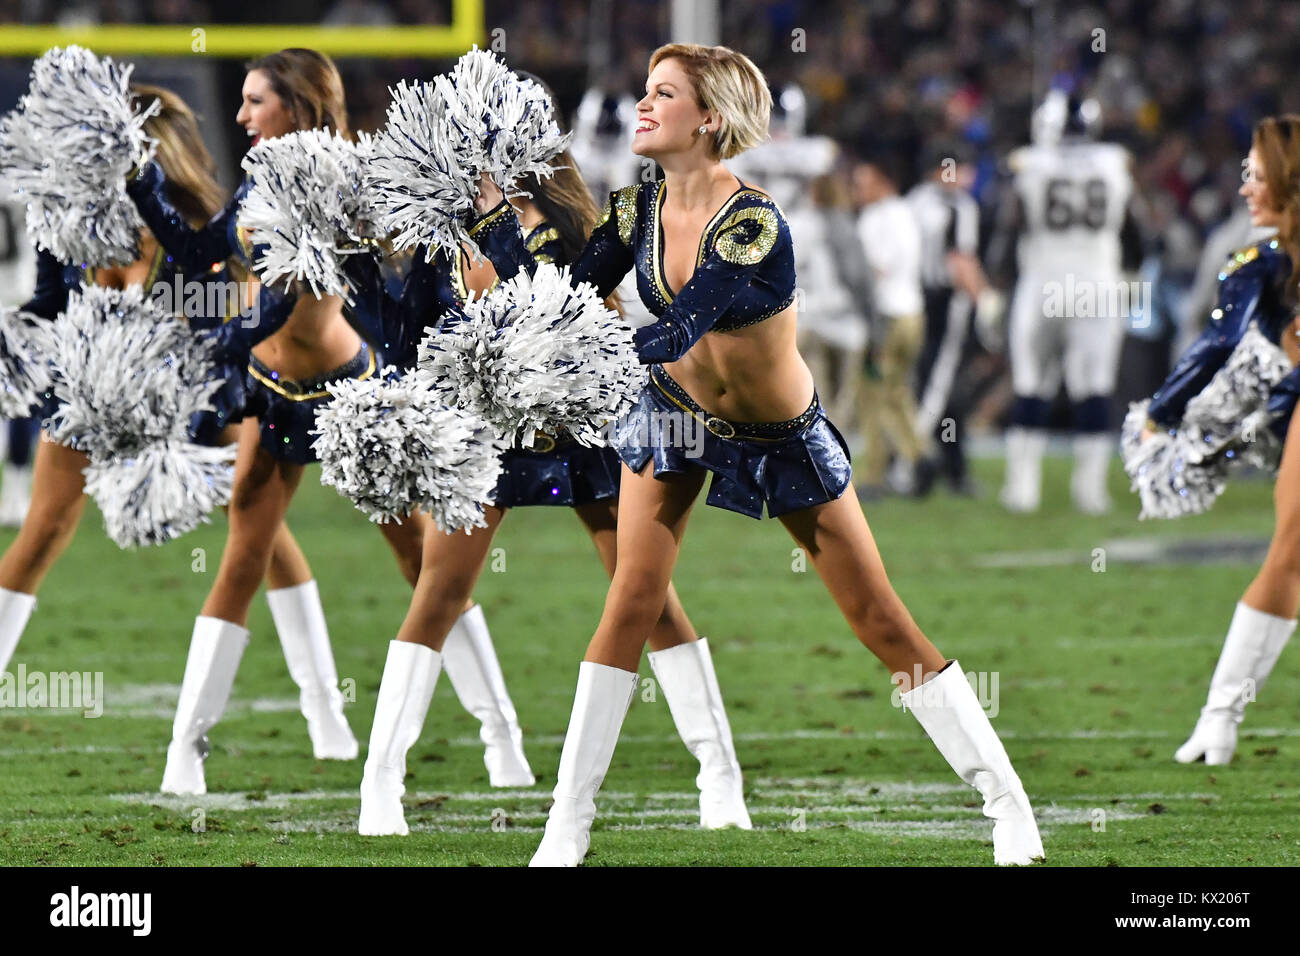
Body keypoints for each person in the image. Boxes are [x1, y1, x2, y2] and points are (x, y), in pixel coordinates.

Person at [471, 43, 1043, 867]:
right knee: (632, 596)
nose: (642, 104)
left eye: (661, 93)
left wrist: (592, 347)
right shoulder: (633, 211)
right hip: (673, 416)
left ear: (708, 117)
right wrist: (494, 216)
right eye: (644, 89)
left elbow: (680, 324)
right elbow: (550, 297)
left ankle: (1006, 802)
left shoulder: (753, 223)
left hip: (781, 438)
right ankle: (567, 827)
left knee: (879, 618)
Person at [348, 97, 751, 835]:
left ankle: (718, 775)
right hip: (491, 432)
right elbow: (401, 340)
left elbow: (543, 306)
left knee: (647, 596)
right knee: (437, 592)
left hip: (581, 425)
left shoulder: (572, 231)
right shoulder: (446, 235)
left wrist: (492, 219)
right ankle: (380, 784)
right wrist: (354, 262)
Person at [125, 51, 430, 795]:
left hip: (349, 387)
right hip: (274, 388)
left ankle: (498, 734)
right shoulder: (262, 178)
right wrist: (141, 179)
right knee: (241, 555)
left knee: (425, 563)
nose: (239, 117)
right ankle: (184, 752)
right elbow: (200, 253)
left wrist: (216, 350)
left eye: (255, 102)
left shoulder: (338, 176)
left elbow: (283, 301)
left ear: (295, 108)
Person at [0, 85, 312, 719]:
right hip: (95, 390)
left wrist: (179, 370)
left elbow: (229, 321)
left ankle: (322, 704)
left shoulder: (196, 224)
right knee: (44, 529)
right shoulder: (68, 221)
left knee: (259, 528)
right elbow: (50, 306)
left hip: (191, 390)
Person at [1138, 116, 1300, 766]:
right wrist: (1162, 412)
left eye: (1257, 177)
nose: (1244, 190)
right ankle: (1219, 720)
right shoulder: (1262, 263)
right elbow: (1216, 344)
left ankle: (1218, 720)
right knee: (1289, 551)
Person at [993, 89, 1141, 515]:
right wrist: (1131, 282)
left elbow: (1007, 225)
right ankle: (1090, 491)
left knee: (1030, 384)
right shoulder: (1115, 162)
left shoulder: (1027, 164)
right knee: (1094, 389)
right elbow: (1135, 234)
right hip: (1097, 283)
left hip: (1043, 282)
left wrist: (995, 287)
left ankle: (1023, 488)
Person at [852, 155, 926, 497]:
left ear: (883, 181)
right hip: (913, 313)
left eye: (863, 183)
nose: (857, 190)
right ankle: (921, 457)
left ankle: (874, 474)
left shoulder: (876, 217)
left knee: (873, 395)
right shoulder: (906, 213)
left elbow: (877, 269)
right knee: (898, 393)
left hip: (886, 318)